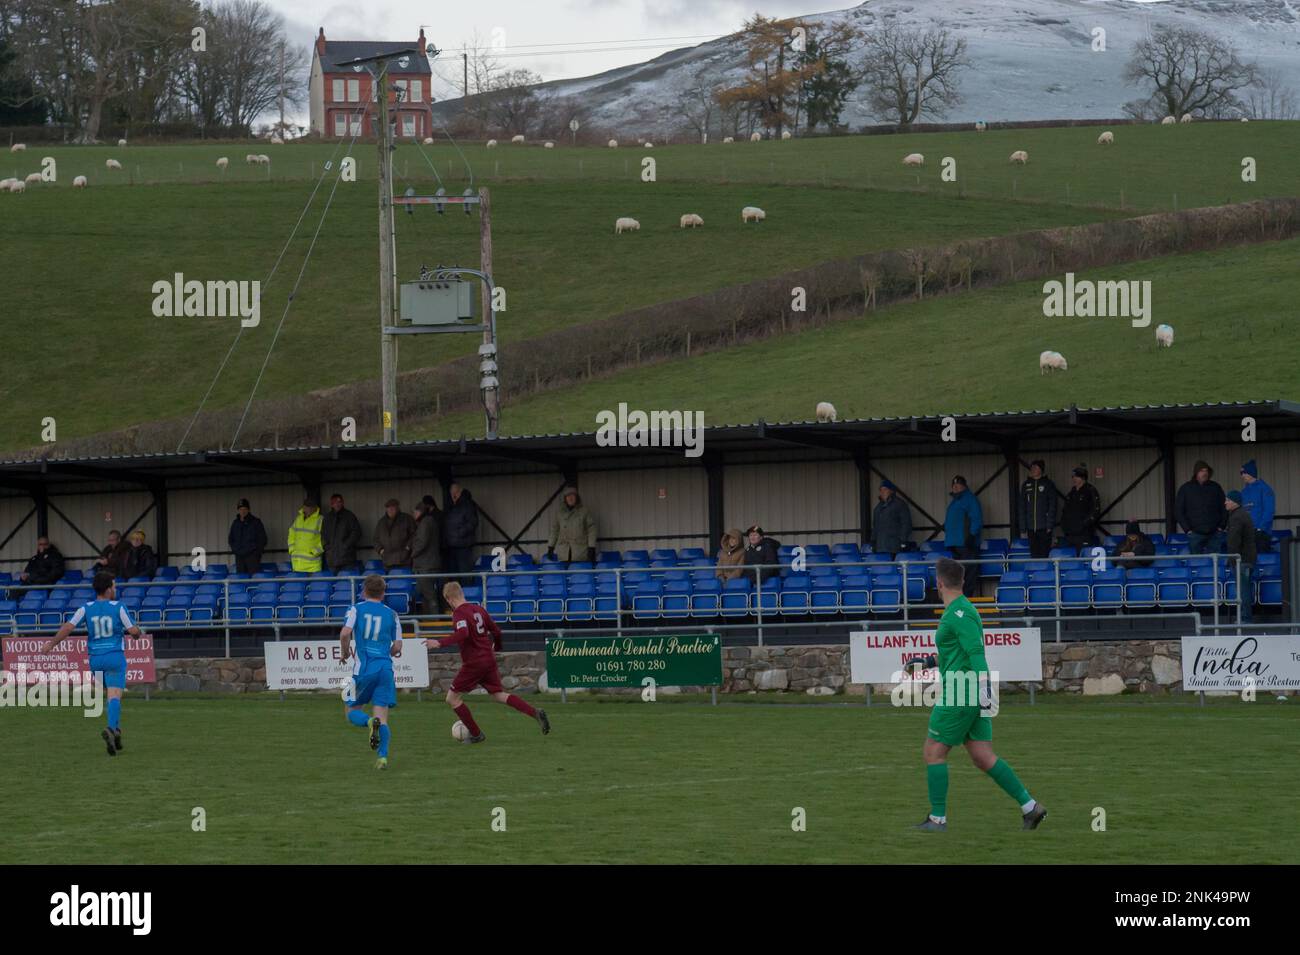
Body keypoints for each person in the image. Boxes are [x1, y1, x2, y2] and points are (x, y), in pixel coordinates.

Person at [911, 558, 1047, 832]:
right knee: (983, 756)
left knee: (933, 752)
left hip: (962, 692)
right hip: (972, 692)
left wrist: (984, 688)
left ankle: (938, 820)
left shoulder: (958, 613)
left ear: (939, 583)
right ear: (961, 581)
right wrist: (927, 663)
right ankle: (1030, 808)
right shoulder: (961, 611)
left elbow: (975, 653)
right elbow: (957, 652)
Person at [424, 581, 550, 743]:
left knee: (452, 698)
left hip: (474, 663)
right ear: (462, 593)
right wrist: (496, 647)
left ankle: (476, 734)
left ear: (449, 599)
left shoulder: (459, 614)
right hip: (488, 659)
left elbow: (463, 633)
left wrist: (440, 643)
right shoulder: (479, 609)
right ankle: (535, 713)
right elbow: (497, 631)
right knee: (498, 695)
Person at [42, 572, 148, 758]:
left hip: (95, 660)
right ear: (108, 590)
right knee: (115, 695)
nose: (115, 589)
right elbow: (132, 631)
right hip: (114, 656)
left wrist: (51, 644)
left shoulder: (86, 608)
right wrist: (139, 632)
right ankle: (111, 728)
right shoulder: (118, 606)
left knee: (111, 694)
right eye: (114, 586)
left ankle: (116, 732)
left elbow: (68, 627)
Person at [339, 575, 402, 770]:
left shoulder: (355, 609)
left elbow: (344, 633)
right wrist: (388, 653)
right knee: (383, 717)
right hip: (385, 669)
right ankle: (382, 758)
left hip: (363, 670)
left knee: (350, 712)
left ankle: (368, 722)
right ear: (383, 593)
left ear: (364, 591)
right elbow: (398, 645)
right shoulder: (392, 614)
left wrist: (344, 653)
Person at [943, 476, 982, 597]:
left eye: (958, 484)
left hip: (966, 543)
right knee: (959, 572)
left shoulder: (969, 499)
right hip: (955, 543)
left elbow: (976, 518)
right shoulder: (955, 501)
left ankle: (967, 596)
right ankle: (960, 596)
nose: (955, 486)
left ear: (964, 486)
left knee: (968, 570)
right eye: (953, 485)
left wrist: (971, 535)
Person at [1175, 461, 1226, 555]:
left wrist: (1222, 526)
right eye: (1202, 470)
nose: (1205, 473)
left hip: (1214, 533)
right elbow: (1179, 511)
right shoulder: (1186, 489)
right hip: (1195, 534)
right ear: (1196, 472)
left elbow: (1224, 507)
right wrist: (1187, 529)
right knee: (1196, 563)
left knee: (1215, 563)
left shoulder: (1215, 487)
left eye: (1206, 471)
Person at [1225, 491, 1257, 626]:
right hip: (1247, 559)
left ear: (1234, 502)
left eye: (1227, 500)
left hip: (1242, 560)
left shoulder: (1237, 517)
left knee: (1243, 590)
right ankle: (1245, 617)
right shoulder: (1242, 515)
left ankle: (1245, 619)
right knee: (1244, 589)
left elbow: (1234, 540)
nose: (1225, 502)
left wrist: (1231, 558)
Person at [1018, 460, 1058, 559]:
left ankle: (1045, 574)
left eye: (1036, 467)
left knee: (1045, 554)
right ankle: (1036, 573)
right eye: (1032, 467)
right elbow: (1021, 507)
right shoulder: (1025, 485)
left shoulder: (1048, 484)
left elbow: (1053, 506)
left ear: (1041, 470)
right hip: (1031, 528)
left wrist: (1049, 525)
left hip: (1044, 528)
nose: (1033, 469)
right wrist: (1023, 528)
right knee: (1034, 554)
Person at [547, 486, 597, 564]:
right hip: (563, 554)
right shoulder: (560, 513)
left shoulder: (584, 511)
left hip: (580, 553)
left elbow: (591, 529)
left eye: (572, 495)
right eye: (568, 496)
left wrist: (591, 547)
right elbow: (555, 530)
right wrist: (550, 547)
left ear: (577, 497)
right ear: (565, 498)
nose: (570, 498)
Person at [411, 495, 444, 613]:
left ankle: (435, 622)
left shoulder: (425, 523)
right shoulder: (430, 521)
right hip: (429, 564)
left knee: (429, 595)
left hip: (426, 565)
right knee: (425, 594)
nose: (413, 515)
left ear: (420, 512)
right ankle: (428, 620)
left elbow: (422, 542)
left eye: (415, 512)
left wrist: (412, 553)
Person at [442, 482, 480, 582]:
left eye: (455, 492)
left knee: (465, 573)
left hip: (463, 545)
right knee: (453, 575)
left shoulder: (467, 505)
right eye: (451, 492)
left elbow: (473, 523)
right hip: (451, 546)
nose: (453, 494)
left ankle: (467, 595)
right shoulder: (449, 506)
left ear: (459, 492)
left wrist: (460, 533)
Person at [1059, 466, 1102, 551]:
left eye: (1076, 476)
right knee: (1071, 560)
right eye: (1072, 477)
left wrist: (1083, 524)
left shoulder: (1090, 490)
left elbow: (1095, 511)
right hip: (1070, 534)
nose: (1073, 479)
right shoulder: (1071, 493)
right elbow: (1065, 511)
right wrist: (1064, 526)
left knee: (1083, 558)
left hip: (1084, 534)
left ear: (1083, 478)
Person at [1239, 460, 1275, 553]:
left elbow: (1269, 510)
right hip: (1247, 533)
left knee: (1260, 561)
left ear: (1251, 473)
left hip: (1261, 533)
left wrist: (1261, 528)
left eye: (1244, 473)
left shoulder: (1265, 489)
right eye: (1241, 473)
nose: (1242, 475)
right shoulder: (1244, 491)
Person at [870, 479, 913, 559]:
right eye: (881, 490)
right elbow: (875, 527)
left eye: (885, 489)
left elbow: (906, 524)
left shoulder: (900, 504)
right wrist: (873, 541)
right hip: (880, 548)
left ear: (891, 491)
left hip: (895, 547)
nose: (882, 492)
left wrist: (903, 541)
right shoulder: (877, 508)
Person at [321, 493, 362, 575]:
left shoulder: (350, 516)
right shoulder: (327, 518)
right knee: (332, 585)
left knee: (346, 585)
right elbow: (323, 535)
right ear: (331, 504)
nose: (338, 504)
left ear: (343, 503)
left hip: (347, 559)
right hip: (331, 560)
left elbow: (356, 532)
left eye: (340, 501)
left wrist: (346, 545)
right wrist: (327, 547)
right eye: (335, 502)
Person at [374, 499, 416, 571]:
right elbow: (375, 539)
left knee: (403, 581)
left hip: (404, 561)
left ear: (398, 508)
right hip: (387, 561)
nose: (390, 510)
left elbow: (415, 535)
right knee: (390, 582)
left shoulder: (407, 519)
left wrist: (408, 547)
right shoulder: (381, 522)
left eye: (393, 508)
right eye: (388, 507)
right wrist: (380, 550)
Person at [228, 499, 268, 574]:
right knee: (241, 581)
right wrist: (236, 551)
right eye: (240, 509)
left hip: (252, 558)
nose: (243, 511)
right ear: (238, 510)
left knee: (253, 582)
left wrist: (256, 553)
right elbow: (231, 539)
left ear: (249, 510)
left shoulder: (256, 522)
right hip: (239, 558)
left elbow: (263, 539)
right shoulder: (235, 523)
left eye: (245, 509)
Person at [288, 497, 325, 573]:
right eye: (306, 506)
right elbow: (291, 534)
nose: (308, 509)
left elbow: (326, 539)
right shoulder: (298, 519)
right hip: (297, 564)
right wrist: (292, 549)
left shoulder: (320, 520)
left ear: (315, 508)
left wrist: (315, 552)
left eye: (310, 507)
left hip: (313, 566)